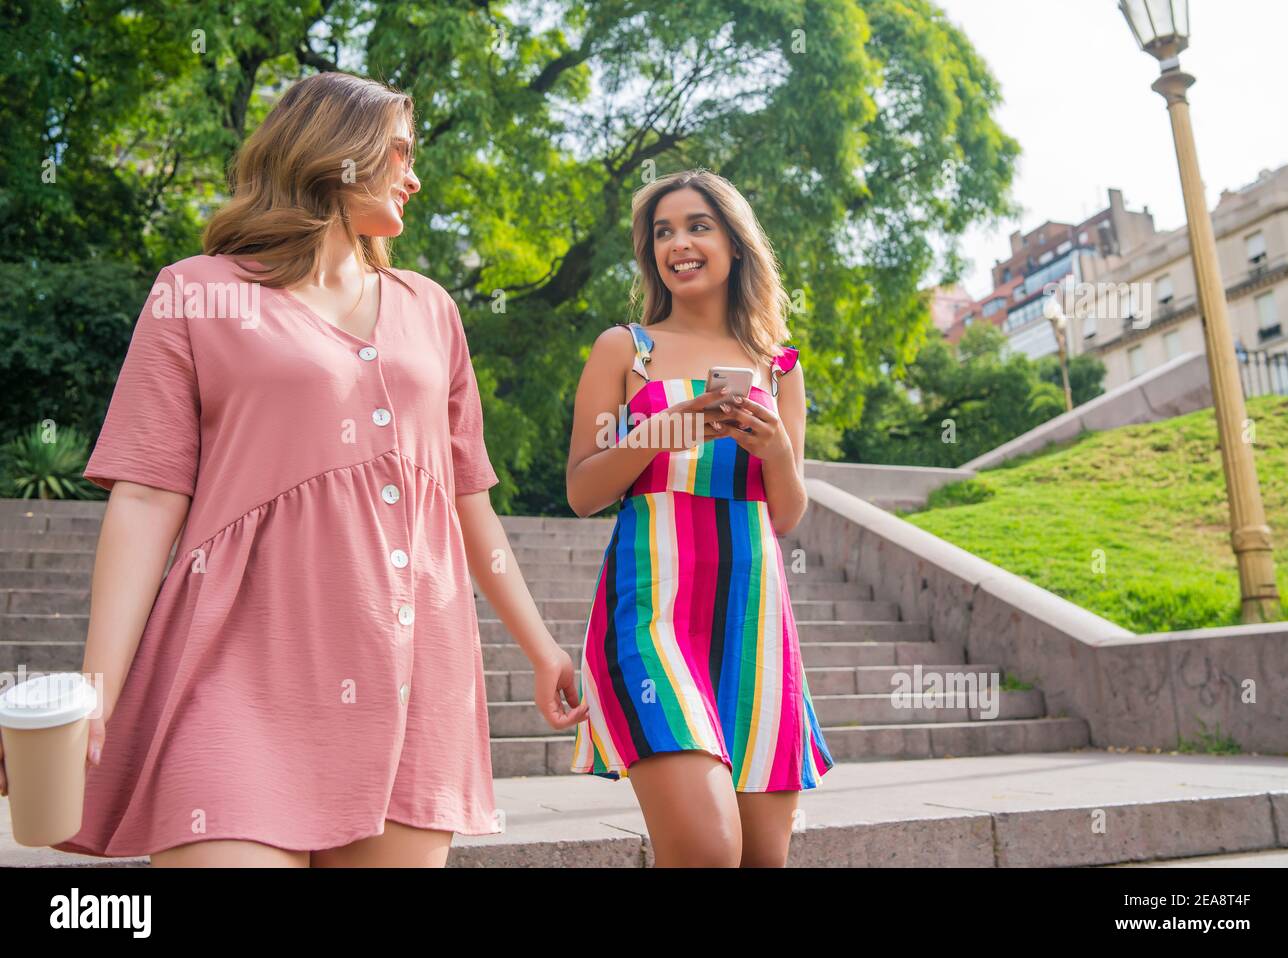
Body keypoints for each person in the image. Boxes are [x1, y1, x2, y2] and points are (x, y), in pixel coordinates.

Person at [0, 71, 587, 867]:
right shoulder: (196, 294)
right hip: (236, 667)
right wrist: (95, 688)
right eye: (398, 154)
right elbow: (144, 497)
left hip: (410, 668)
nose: (414, 177)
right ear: (334, 154)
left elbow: (467, 501)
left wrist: (542, 647)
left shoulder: (431, 309)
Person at [566, 169, 835, 867]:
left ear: (736, 244)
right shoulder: (625, 349)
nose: (677, 243)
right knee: (708, 849)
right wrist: (665, 430)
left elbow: (789, 510)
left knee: (760, 860)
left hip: (753, 622)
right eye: (662, 232)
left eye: (697, 226)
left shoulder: (779, 364)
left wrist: (774, 446)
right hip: (651, 613)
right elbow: (583, 489)